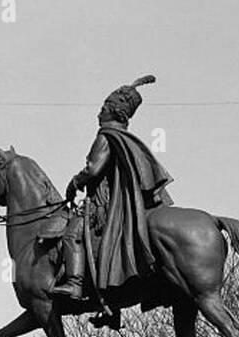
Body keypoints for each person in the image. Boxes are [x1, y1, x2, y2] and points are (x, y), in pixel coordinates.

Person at [49, 75, 174, 316]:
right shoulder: (123, 137)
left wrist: (75, 182)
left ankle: (74, 284)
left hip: (103, 203)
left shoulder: (105, 135)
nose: (99, 113)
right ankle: (110, 306)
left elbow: (94, 169)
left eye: (103, 108)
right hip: (116, 200)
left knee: (72, 234)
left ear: (114, 112)